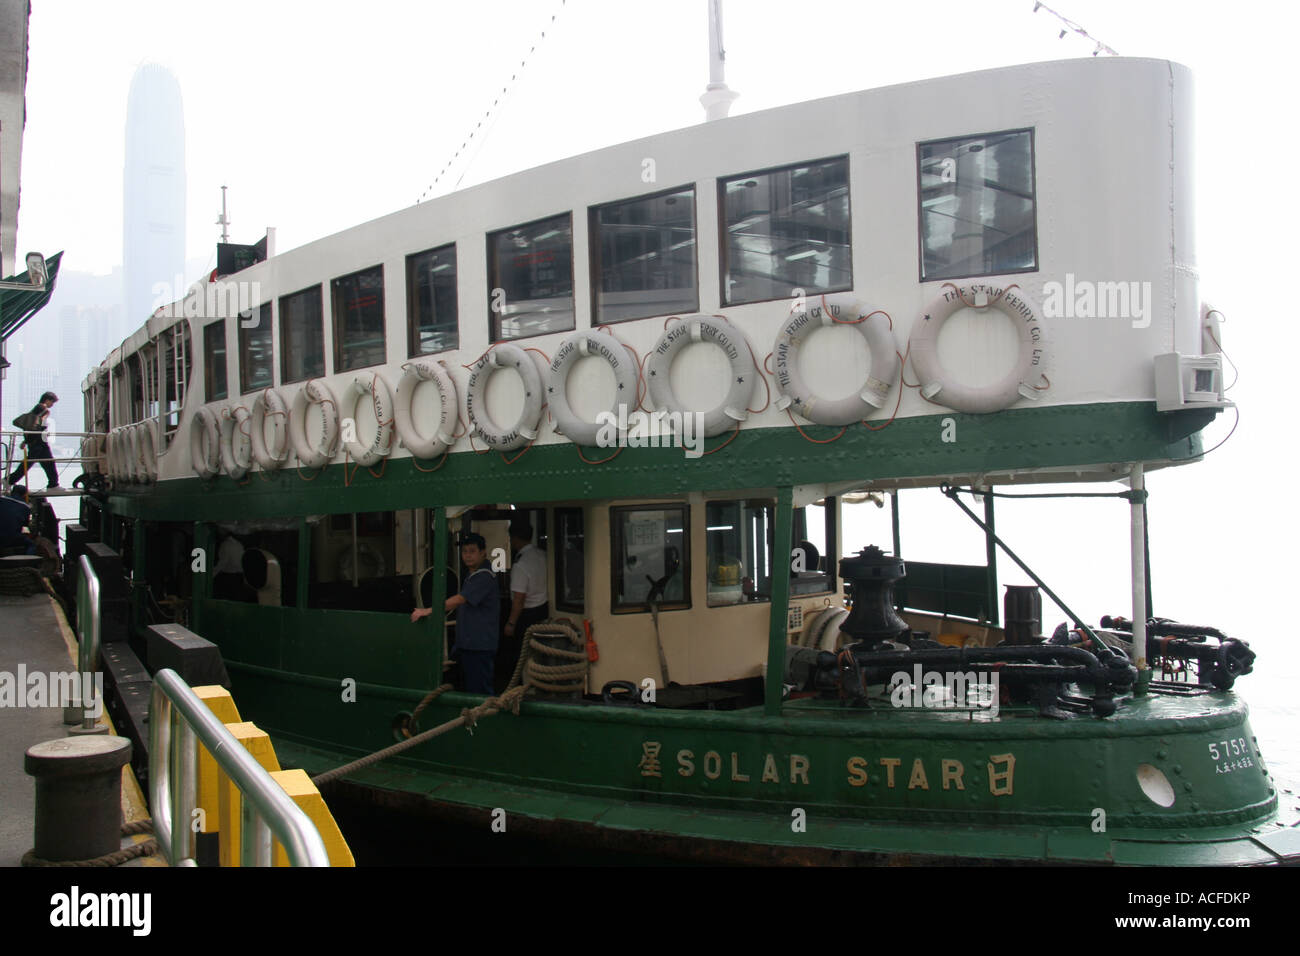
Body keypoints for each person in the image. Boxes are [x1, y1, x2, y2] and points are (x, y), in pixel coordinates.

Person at [411, 533, 499, 694]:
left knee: (480, 691)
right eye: (464, 551)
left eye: (472, 551)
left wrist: (428, 610)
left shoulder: (484, 576)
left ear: (483, 552)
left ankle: (486, 718)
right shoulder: (472, 574)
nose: (467, 555)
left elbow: (460, 599)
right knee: (471, 688)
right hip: (468, 643)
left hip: (478, 645)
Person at [500, 518, 547, 691]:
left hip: (527, 617)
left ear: (515, 538)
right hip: (543, 611)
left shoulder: (521, 564)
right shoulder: (542, 555)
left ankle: (527, 689)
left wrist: (511, 623)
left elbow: (519, 599)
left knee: (524, 656)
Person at [7, 391, 59, 488]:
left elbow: (30, 426)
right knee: (45, 463)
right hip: (40, 442)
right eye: (52, 402)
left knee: (44, 463)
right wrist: (44, 431)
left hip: (34, 442)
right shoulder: (45, 410)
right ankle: (53, 484)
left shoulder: (36, 408)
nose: (52, 404)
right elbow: (39, 424)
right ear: (47, 400)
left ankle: (53, 483)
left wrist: (26, 441)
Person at [0, 485, 35, 555]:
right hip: (11, 538)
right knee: (31, 544)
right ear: (24, 495)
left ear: (12, 492)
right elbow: (25, 526)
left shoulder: (2, 500)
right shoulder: (25, 507)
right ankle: (28, 562)